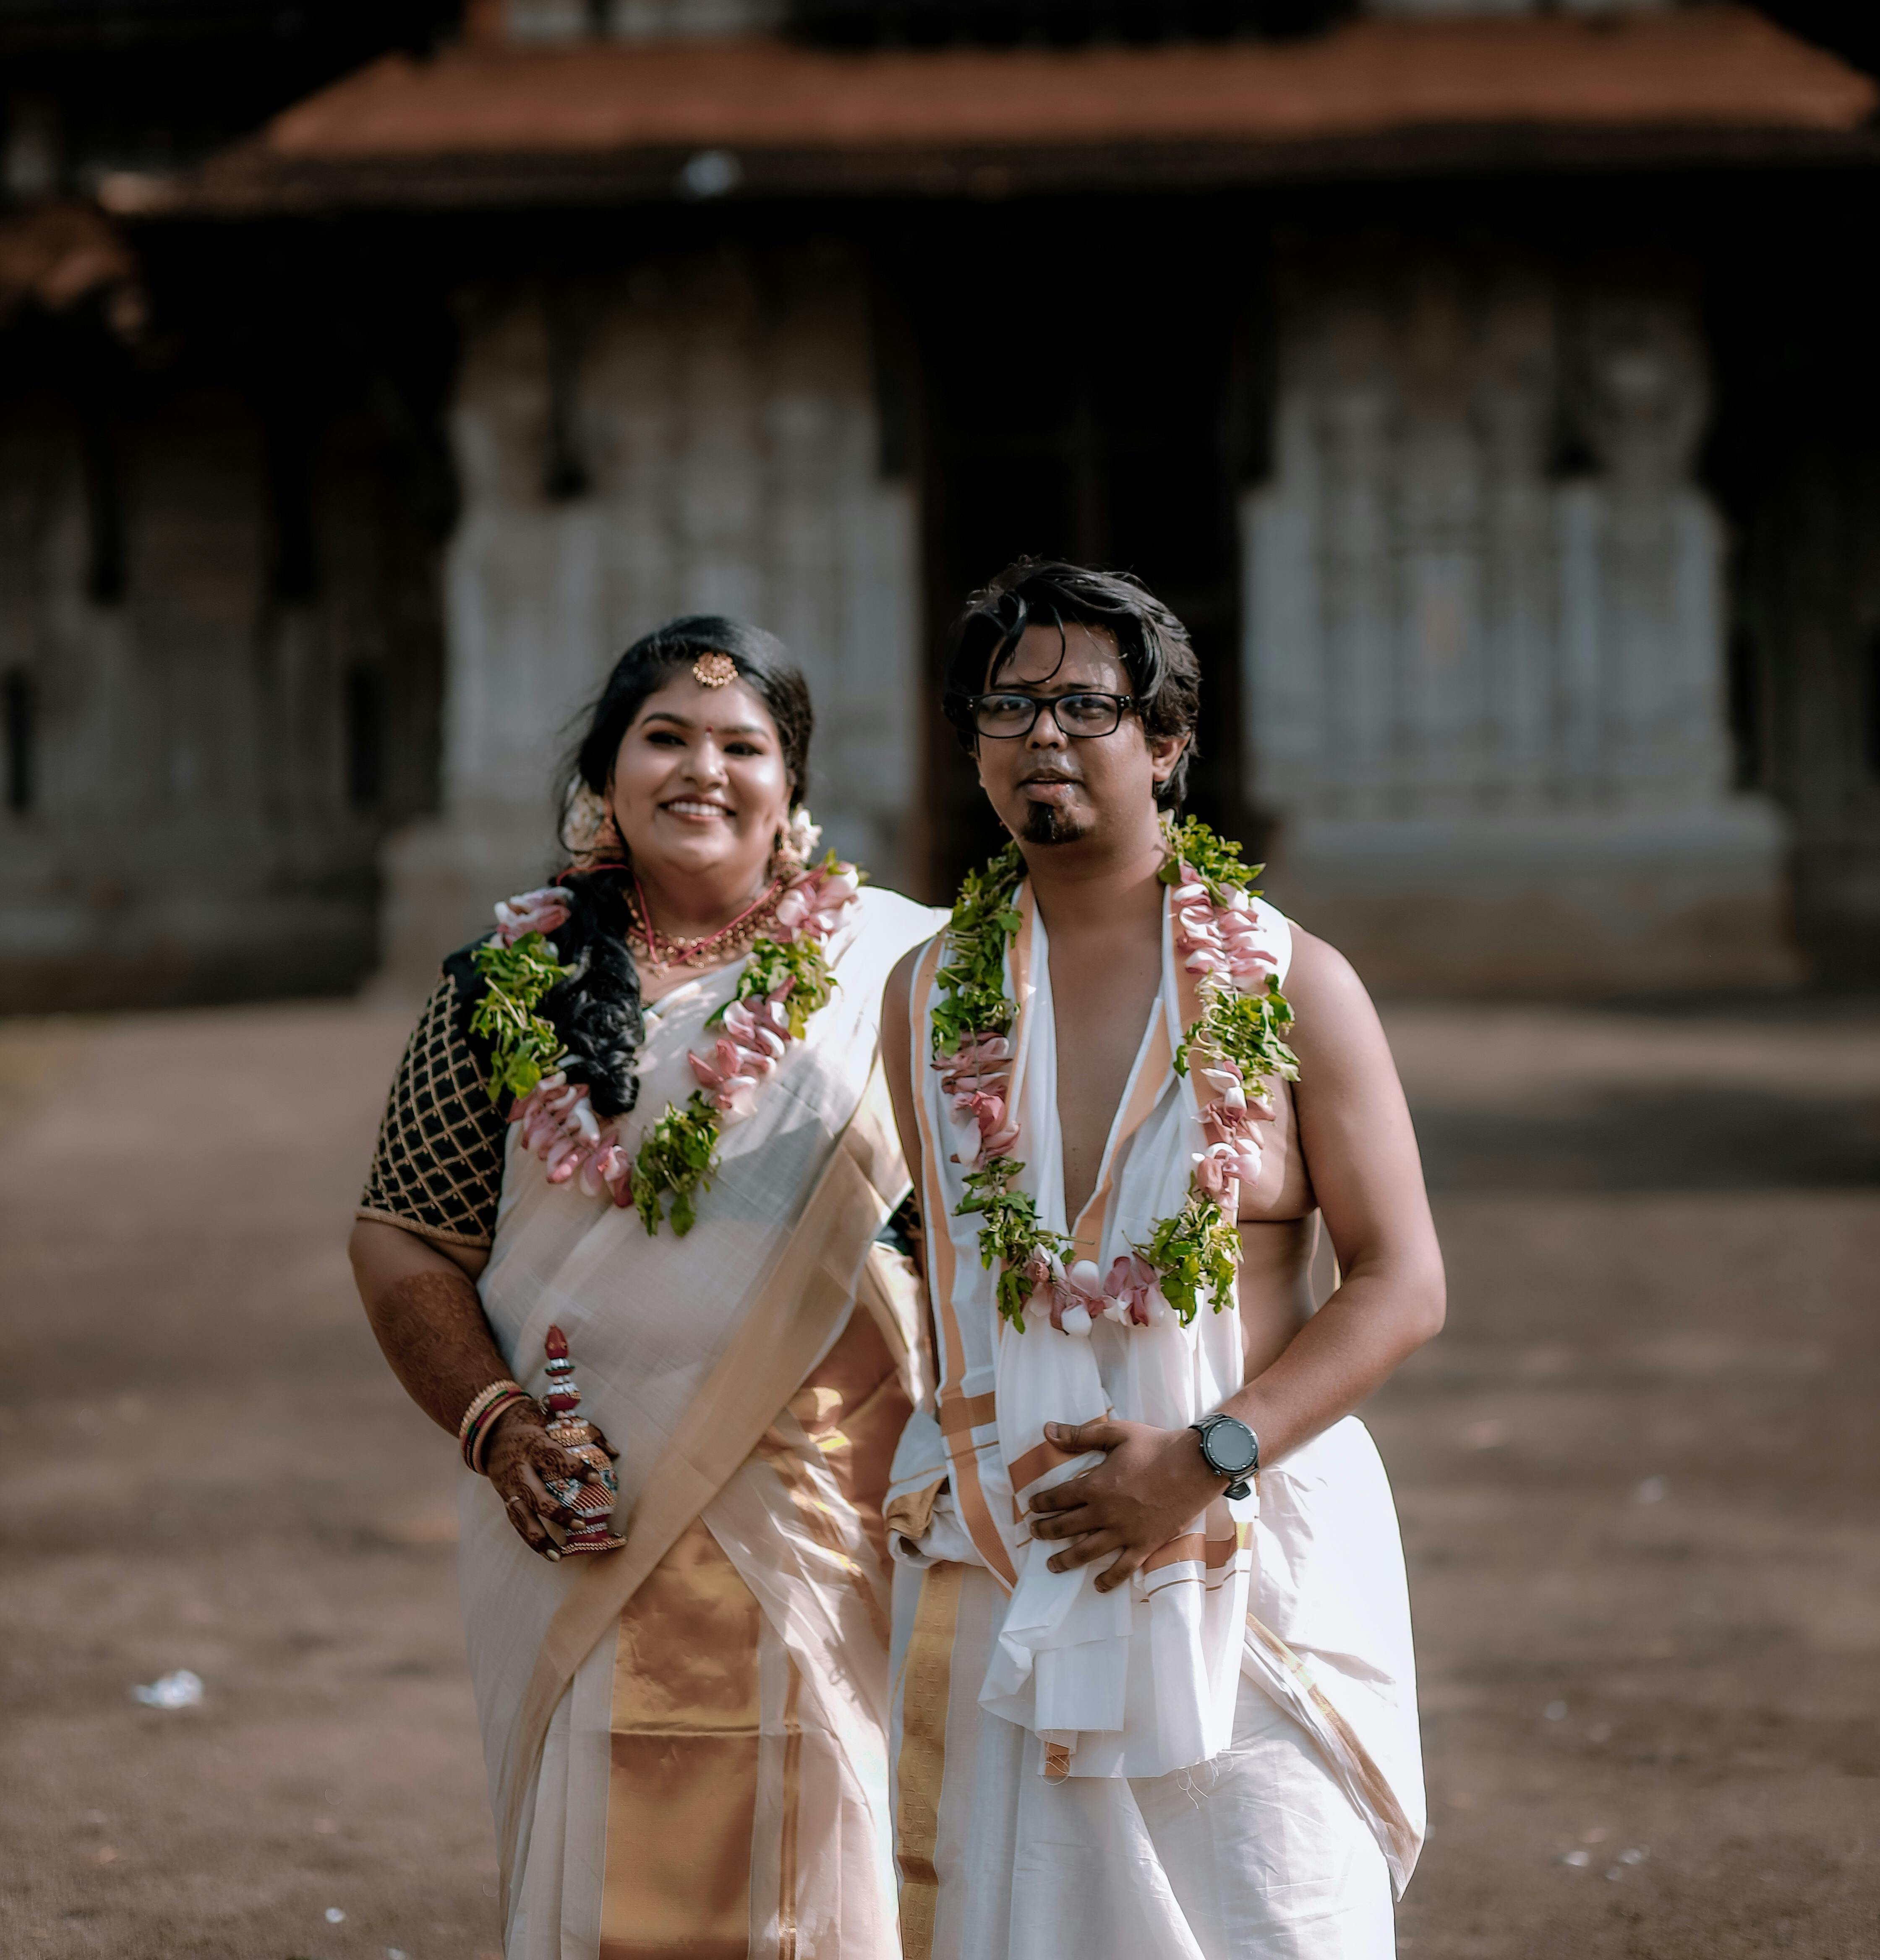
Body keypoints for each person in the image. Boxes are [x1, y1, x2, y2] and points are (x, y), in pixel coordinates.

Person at [350, 616, 945, 1960]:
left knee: (836, 1850)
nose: (703, 771)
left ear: (793, 789)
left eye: (744, 745)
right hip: (580, 1504)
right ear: (605, 773)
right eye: (664, 737)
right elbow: (401, 1240)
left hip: (836, 1511)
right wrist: (500, 1428)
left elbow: (973, 1229)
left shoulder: (905, 975)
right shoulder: (499, 992)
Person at [880, 559, 1444, 1960]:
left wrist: (1203, 1457)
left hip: (1252, 1543)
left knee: (1281, 1923)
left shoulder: (1288, 979)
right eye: (1006, 709)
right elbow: (947, 1286)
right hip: (1023, 1548)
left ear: (1167, 744)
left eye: (1086, 704)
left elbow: (1401, 1281)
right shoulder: (930, 994)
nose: (1044, 740)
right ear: (972, 746)